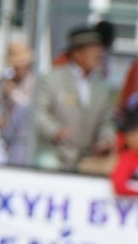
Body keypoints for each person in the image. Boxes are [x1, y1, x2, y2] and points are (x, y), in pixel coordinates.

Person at [32, 26, 116, 173]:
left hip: (87, 156)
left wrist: (106, 138)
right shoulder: (52, 79)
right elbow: (37, 112)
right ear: (77, 53)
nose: (98, 53)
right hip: (55, 152)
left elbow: (106, 120)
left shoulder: (102, 86)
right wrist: (55, 131)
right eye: (92, 49)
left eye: (99, 49)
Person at [0, 40, 36, 166]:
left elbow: (28, 107)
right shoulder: (3, 82)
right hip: (3, 133)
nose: (16, 70)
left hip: (24, 136)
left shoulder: (35, 83)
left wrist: (13, 93)